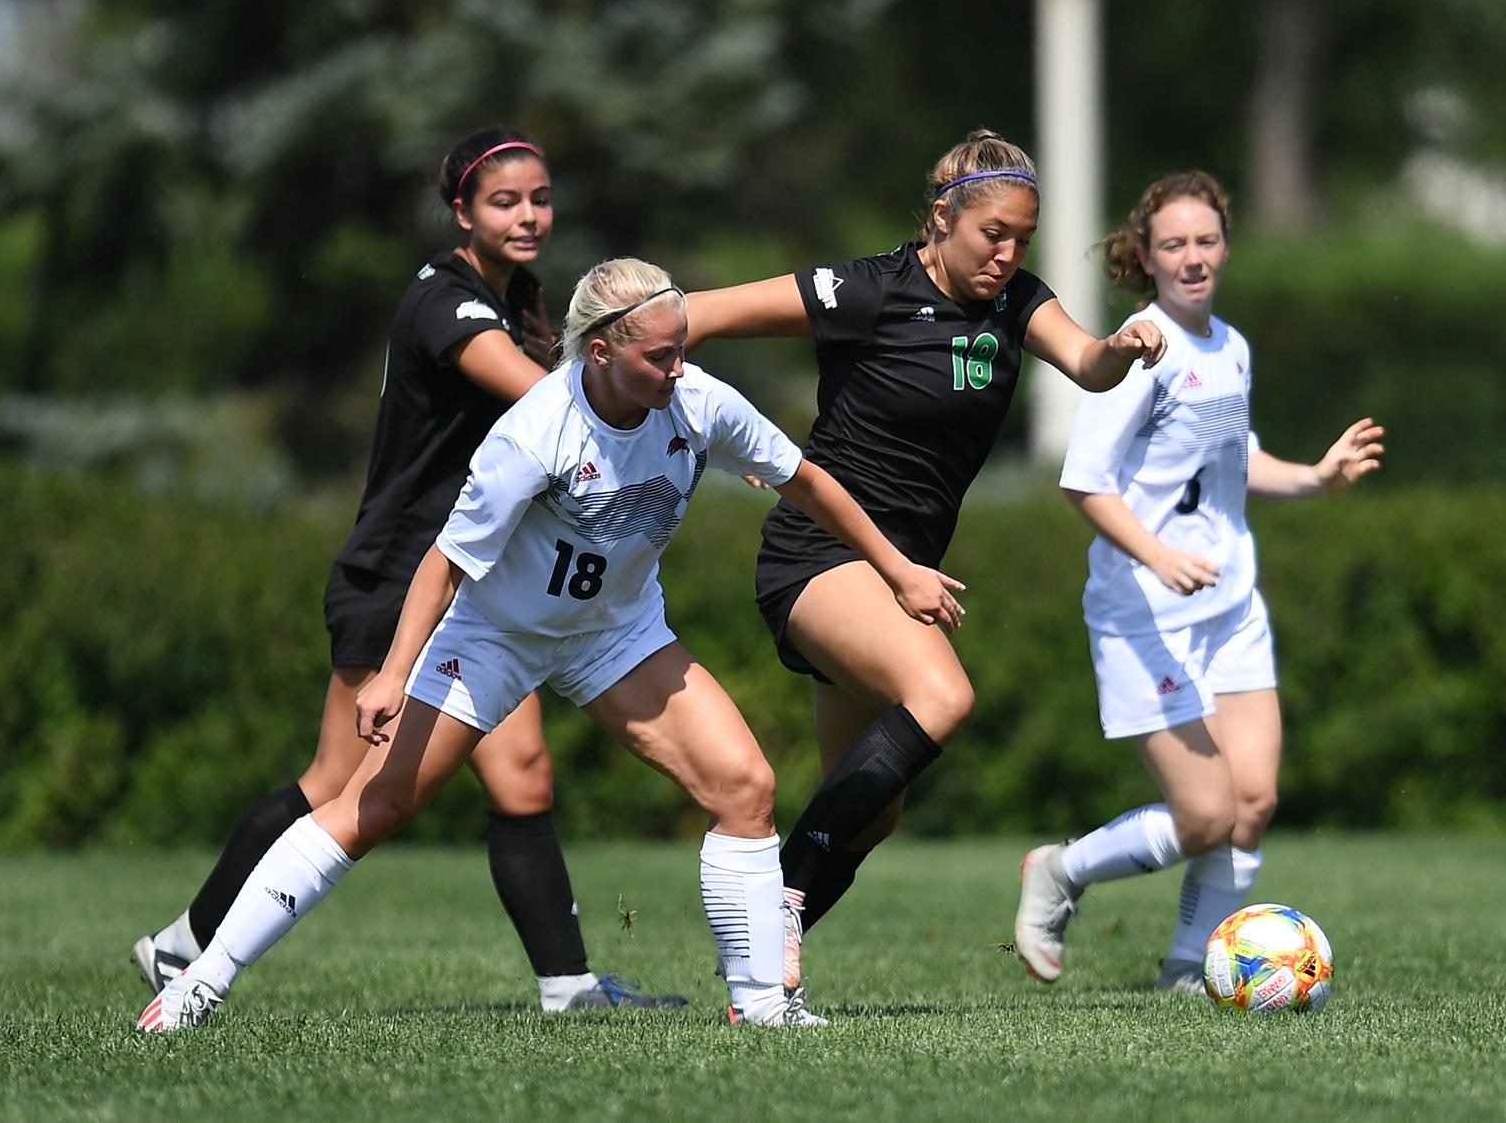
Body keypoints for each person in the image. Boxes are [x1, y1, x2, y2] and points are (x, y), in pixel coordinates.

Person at [135, 258, 964, 1031]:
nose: (677, 371)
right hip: (496, 637)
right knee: (372, 806)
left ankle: (760, 1006)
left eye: (682, 352)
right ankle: (199, 981)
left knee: (744, 784)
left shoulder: (698, 401)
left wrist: (896, 570)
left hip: (616, 633)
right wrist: (391, 676)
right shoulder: (535, 431)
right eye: (658, 358)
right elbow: (444, 565)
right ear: (599, 351)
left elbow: (806, 478)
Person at [131, 128, 682, 1012]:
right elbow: (545, 395)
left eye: (540, 197)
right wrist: (652, 352)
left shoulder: (524, 298)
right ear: (461, 211)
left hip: (473, 578)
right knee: (336, 786)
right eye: (505, 201)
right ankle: (187, 945)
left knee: (519, 771)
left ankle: (569, 986)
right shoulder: (446, 302)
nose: (529, 215)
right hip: (402, 575)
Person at [682, 129, 1169, 1001]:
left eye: (1023, 235)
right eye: (993, 234)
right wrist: (628, 365)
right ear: (943, 218)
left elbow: (1090, 366)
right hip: (818, 556)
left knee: (872, 809)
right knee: (943, 696)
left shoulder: (1019, 300)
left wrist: (1123, 348)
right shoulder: (869, 288)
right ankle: (776, 906)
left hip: (896, 573)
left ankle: (760, 968)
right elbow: (702, 315)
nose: (1008, 253)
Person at [1012, 171, 1383, 990]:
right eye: (1173, 244)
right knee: (1206, 813)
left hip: (1230, 607)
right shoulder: (1141, 348)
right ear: (1144, 256)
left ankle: (1188, 968)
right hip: (1145, 613)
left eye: (1205, 240)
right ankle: (1061, 869)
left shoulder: (1231, 345)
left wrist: (1317, 477)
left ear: (1225, 246)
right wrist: (1158, 553)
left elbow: (1235, 461)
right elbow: (1087, 482)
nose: (1192, 257)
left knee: (1251, 804)